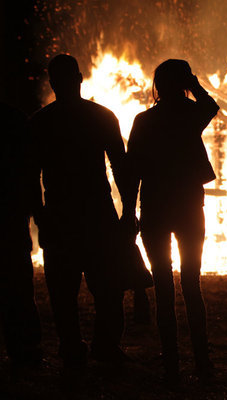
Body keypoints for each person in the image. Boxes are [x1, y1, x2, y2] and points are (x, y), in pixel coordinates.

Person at [123, 59, 219, 384]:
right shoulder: (190, 115)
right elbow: (211, 105)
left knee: (164, 287)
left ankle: (172, 365)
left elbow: (132, 170)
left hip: (154, 207)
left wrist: (127, 211)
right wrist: (194, 82)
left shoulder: (144, 120)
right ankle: (203, 362)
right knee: (192, 285)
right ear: (182, 83)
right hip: (190, 205)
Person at [29, 54, 128, 370]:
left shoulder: (40, 123)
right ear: (81, 78)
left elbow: (30, 175)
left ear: (53, 82)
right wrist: (127, 210)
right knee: (108, 287)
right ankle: (105, 345)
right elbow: (120, 166)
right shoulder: (101, 116)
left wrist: (41, 215)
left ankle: (72, 347)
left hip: (61, 216)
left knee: (63, 291)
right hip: (97, 214)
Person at [0, 101, 42, 371]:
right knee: (18, 287)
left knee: (18, 287)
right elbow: (30, 171)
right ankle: (25, 350)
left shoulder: (14, 119)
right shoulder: (15, 118)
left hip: (12, 217)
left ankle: (23, 350)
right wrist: (36, 211)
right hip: (12, 218)